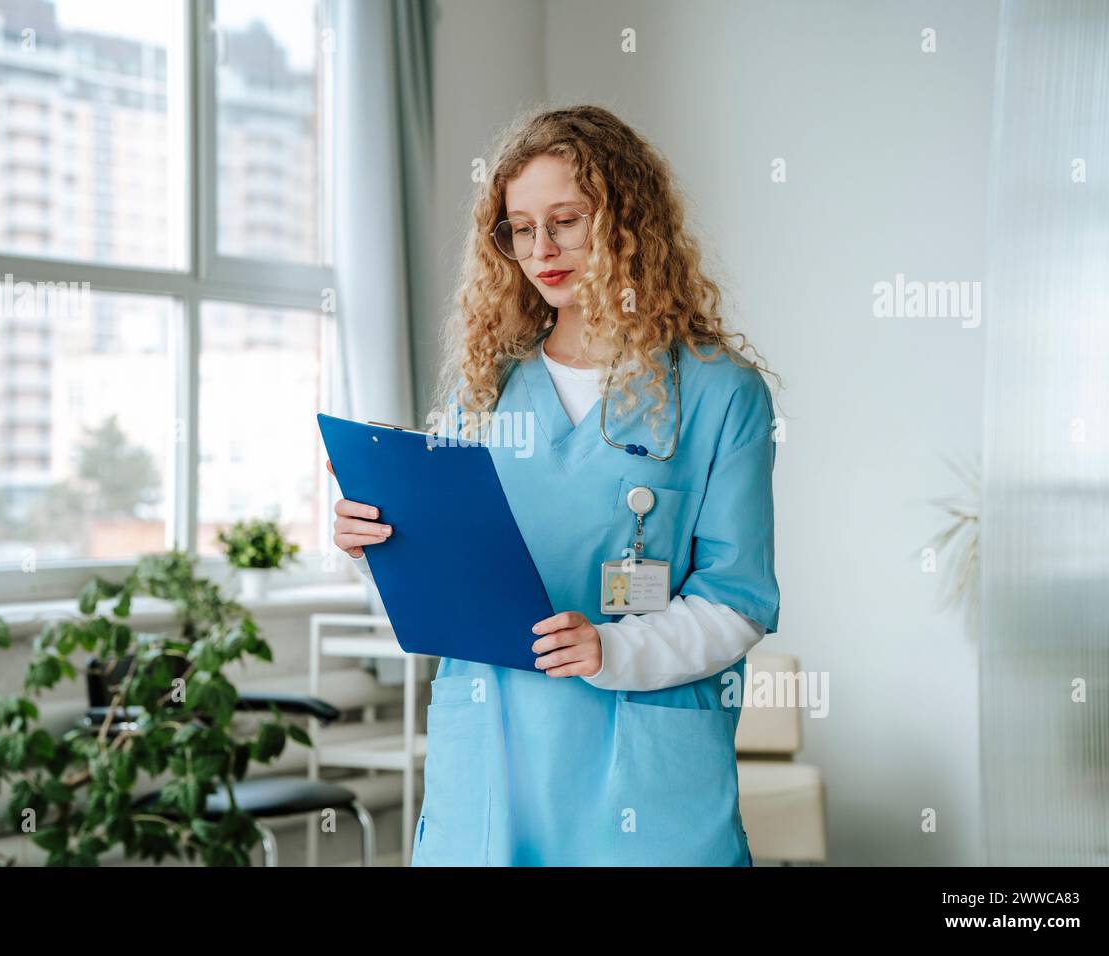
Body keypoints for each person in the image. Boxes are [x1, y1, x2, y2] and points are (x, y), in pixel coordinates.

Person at [328, 105, 780, 866]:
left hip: (642, 759)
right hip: (495, 751)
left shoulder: (719, 393)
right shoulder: (487, 387)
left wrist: (611, 649)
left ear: (628, 222)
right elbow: (452, 587)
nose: (542, 250)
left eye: (567, 221)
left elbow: (738, 603)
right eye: (520, 228)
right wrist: (376, 546)